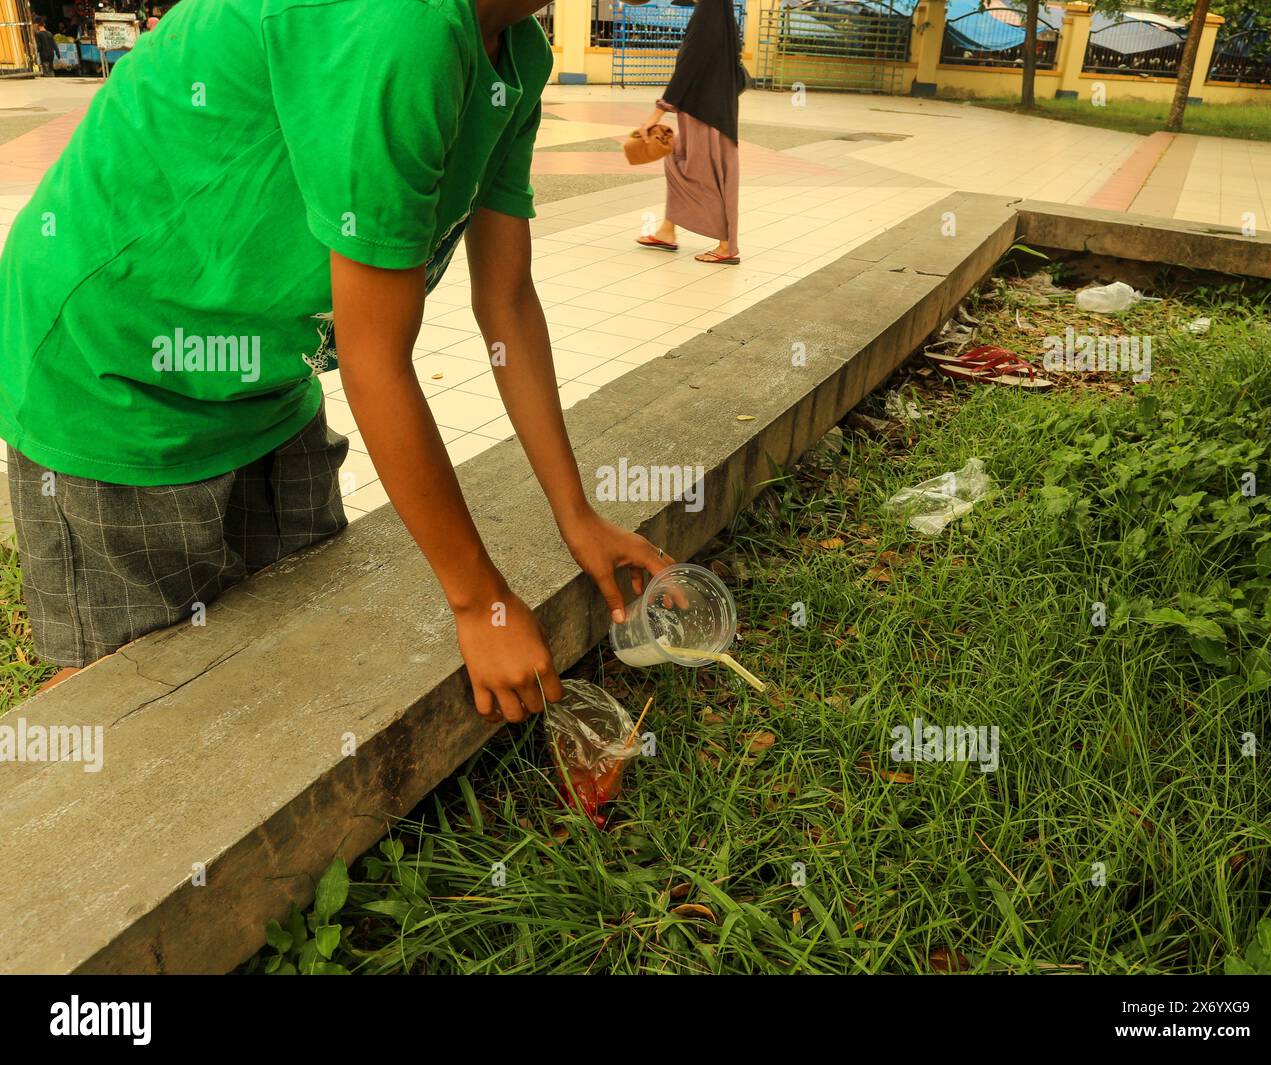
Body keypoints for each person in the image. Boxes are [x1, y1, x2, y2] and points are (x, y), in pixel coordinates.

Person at [0, 0, 672, 722]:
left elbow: (506, 302)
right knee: (134, 690)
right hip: (113, 362)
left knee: (292, 635)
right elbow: (374, 358)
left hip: (262, 374)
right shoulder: (400, 23)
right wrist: (481, 602)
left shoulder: (517, 55)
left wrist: (575, 514)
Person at [634, 0, 745, 265]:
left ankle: (727, 247)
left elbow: (689, 66)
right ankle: (666, 231)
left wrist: (657, 113)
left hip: (706, 115)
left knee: (703, 175)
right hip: (713, 112)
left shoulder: (708, 15)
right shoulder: (722, 16)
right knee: (678, 162)